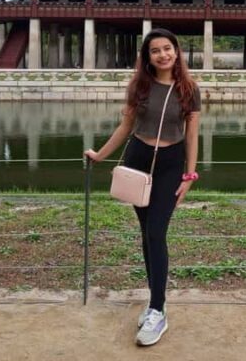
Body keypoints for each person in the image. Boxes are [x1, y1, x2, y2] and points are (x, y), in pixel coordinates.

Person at [84, 28, 201, 347]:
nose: (163, 54)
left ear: (176, 51)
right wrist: (100, 155)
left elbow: (192, 135)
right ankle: (154, 303)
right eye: (155, 50)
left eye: (167, 48)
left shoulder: (189, 89)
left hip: (171, 163)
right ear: (147, 57)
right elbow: (126, 127)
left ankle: (158, 310)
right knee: (147, 232)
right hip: (138, 159)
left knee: (156, 233)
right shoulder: (140, 86)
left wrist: (189, 176)